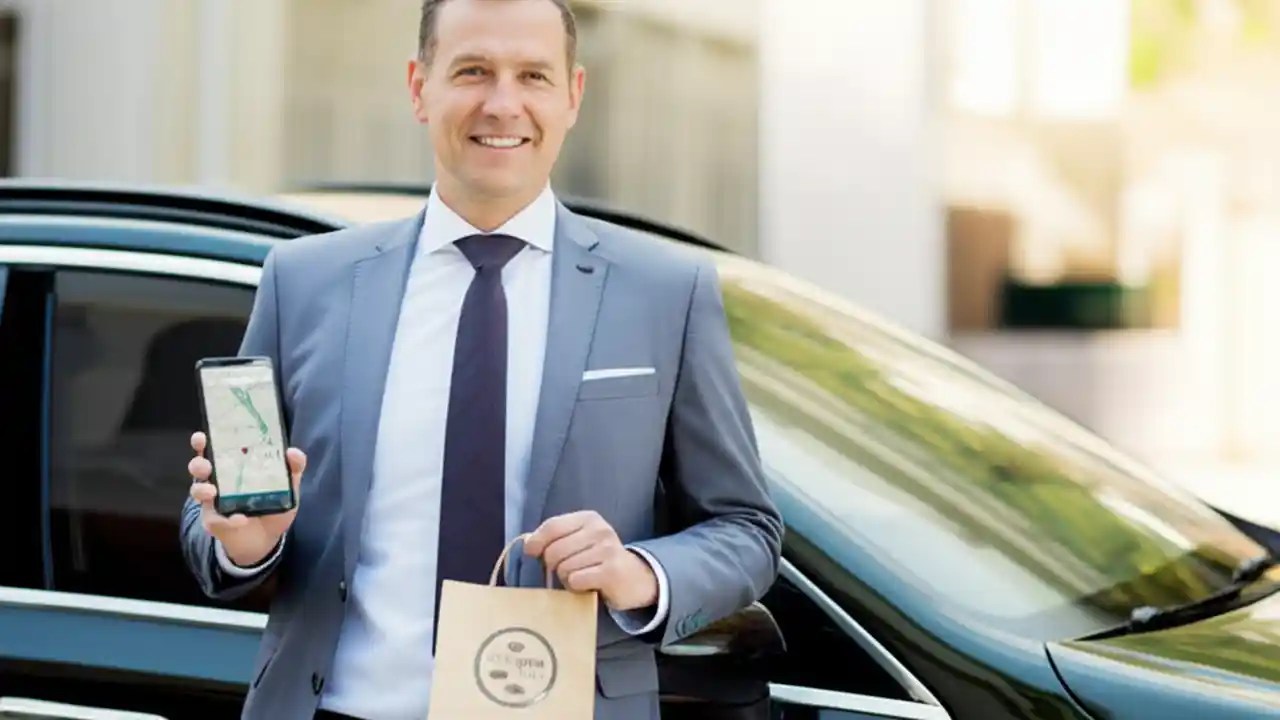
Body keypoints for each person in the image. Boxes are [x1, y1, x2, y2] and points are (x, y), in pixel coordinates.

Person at [179, 0, 782, 717]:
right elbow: (212, 517)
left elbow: (746, 528)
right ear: (418, 87)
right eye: (472, 71)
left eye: (532, 75)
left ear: (572, 96)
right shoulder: (306, 281)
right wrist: (247, 545)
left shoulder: (664, 292)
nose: (503, 104)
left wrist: (640, 572)